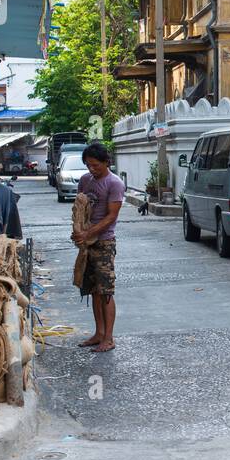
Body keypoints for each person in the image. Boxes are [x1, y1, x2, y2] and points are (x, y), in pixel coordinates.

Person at [72, 142, 124, 353]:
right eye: (88, 165)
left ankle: (109, 338)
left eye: (95, 165)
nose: (92, 169)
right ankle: (99, 333)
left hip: (104, 242)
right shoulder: (85, 180)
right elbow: (79, 207)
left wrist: (89, 233)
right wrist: (78, 231)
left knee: (105, 292)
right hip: (86, 243)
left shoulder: (114, 183)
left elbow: (112, 216)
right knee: (93, 290)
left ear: (106, 162)